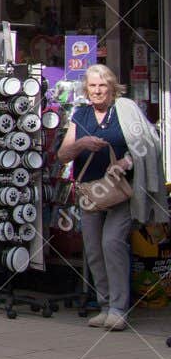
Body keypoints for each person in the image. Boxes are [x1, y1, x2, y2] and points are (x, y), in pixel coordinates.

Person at [57, 64, 168, 331]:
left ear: (112, 87)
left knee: (112, 243)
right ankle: (104, 305)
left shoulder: (125, 109)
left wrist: (125, 163)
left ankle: (119, 309)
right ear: (86, 89)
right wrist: (81, 144)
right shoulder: (80, 114)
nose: (97, 91)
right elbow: (62, 155)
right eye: (93, 86)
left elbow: (150, 142)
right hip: (90, 192)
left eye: (102, 86)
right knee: (94, 250)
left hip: (120, 191)